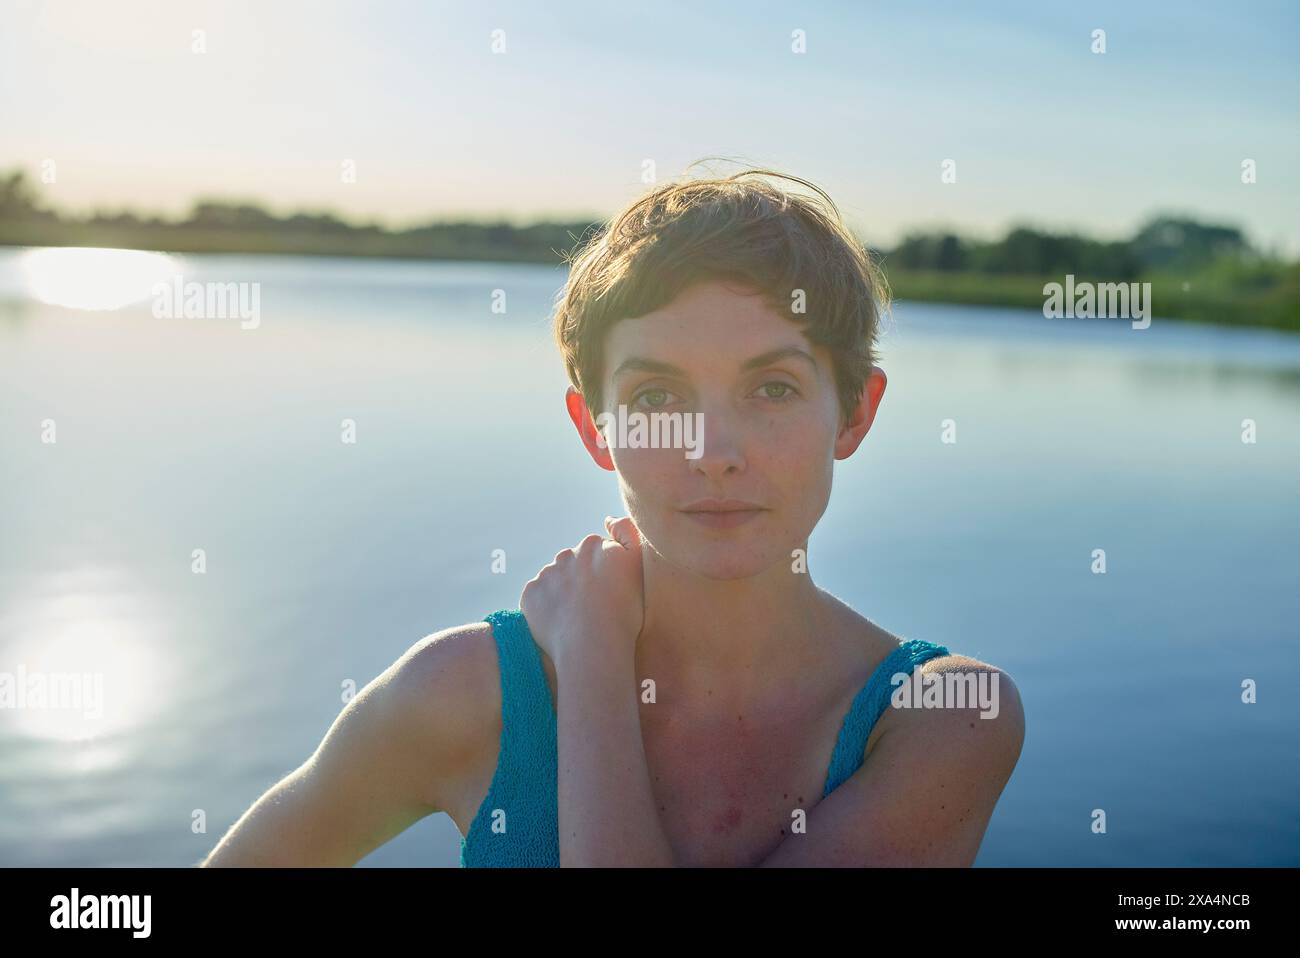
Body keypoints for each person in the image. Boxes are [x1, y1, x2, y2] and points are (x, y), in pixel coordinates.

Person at [200, 165, 1024, 868]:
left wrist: (594, 663)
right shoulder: (468, 691)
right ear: (595, 429)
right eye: (656, 397)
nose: (712, 452)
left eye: (772, 388)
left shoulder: (940, 719)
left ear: (854, 414)